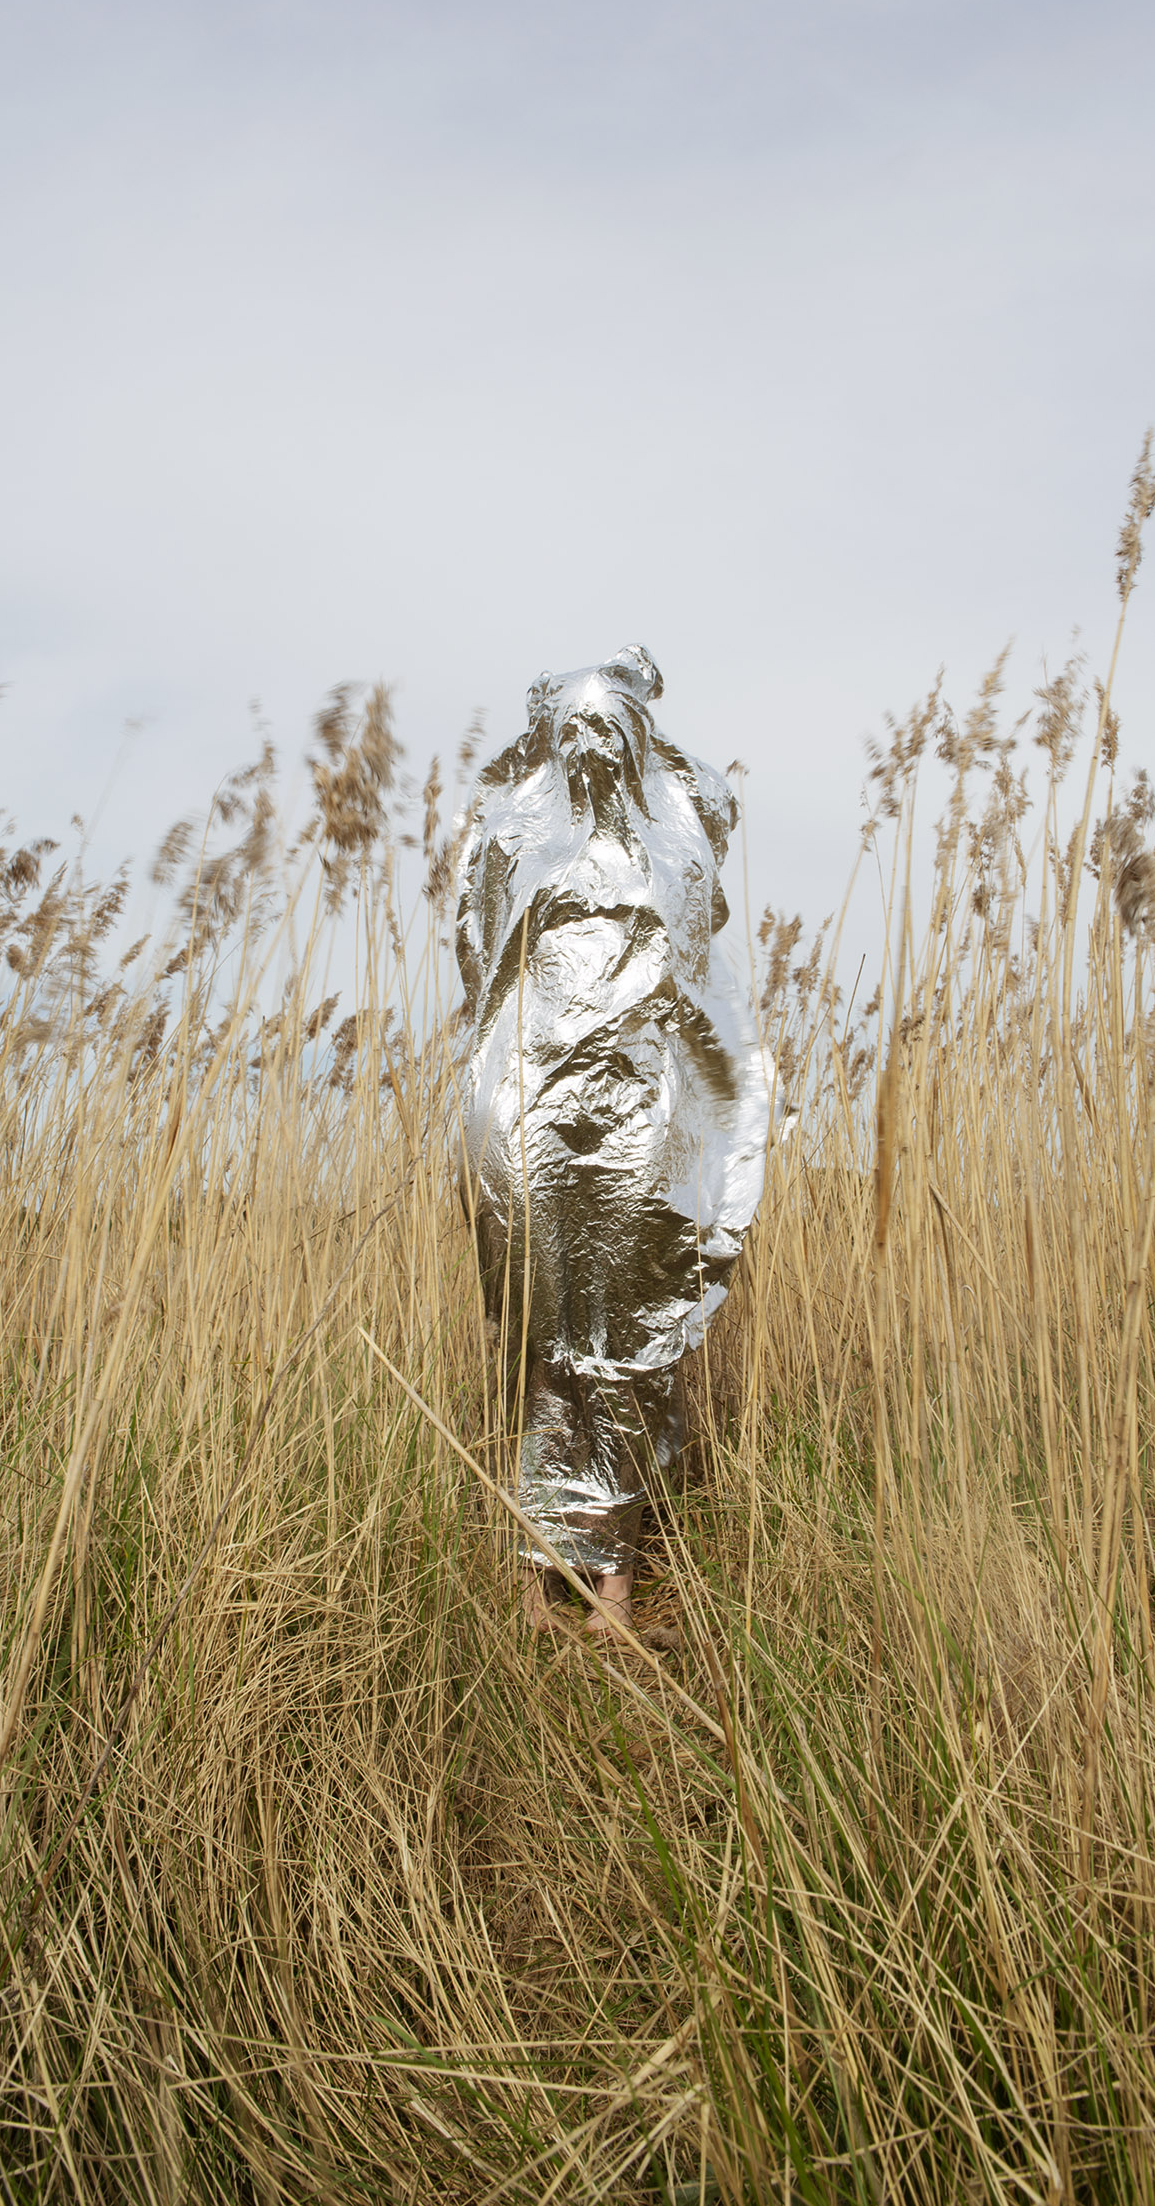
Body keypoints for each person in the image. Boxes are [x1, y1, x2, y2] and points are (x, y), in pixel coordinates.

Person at [455, 645, 772, 1636]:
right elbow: (483, 969)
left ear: (635, 738)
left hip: (642, 1126)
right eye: (574, 729)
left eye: (609, 727)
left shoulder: (671, 853)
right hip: (538, 1120)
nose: (590, 746)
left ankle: (615, 1586)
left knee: (631, 1349)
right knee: (547, 1348)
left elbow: (698, 981)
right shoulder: (518, 848)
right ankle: (539, 1573)